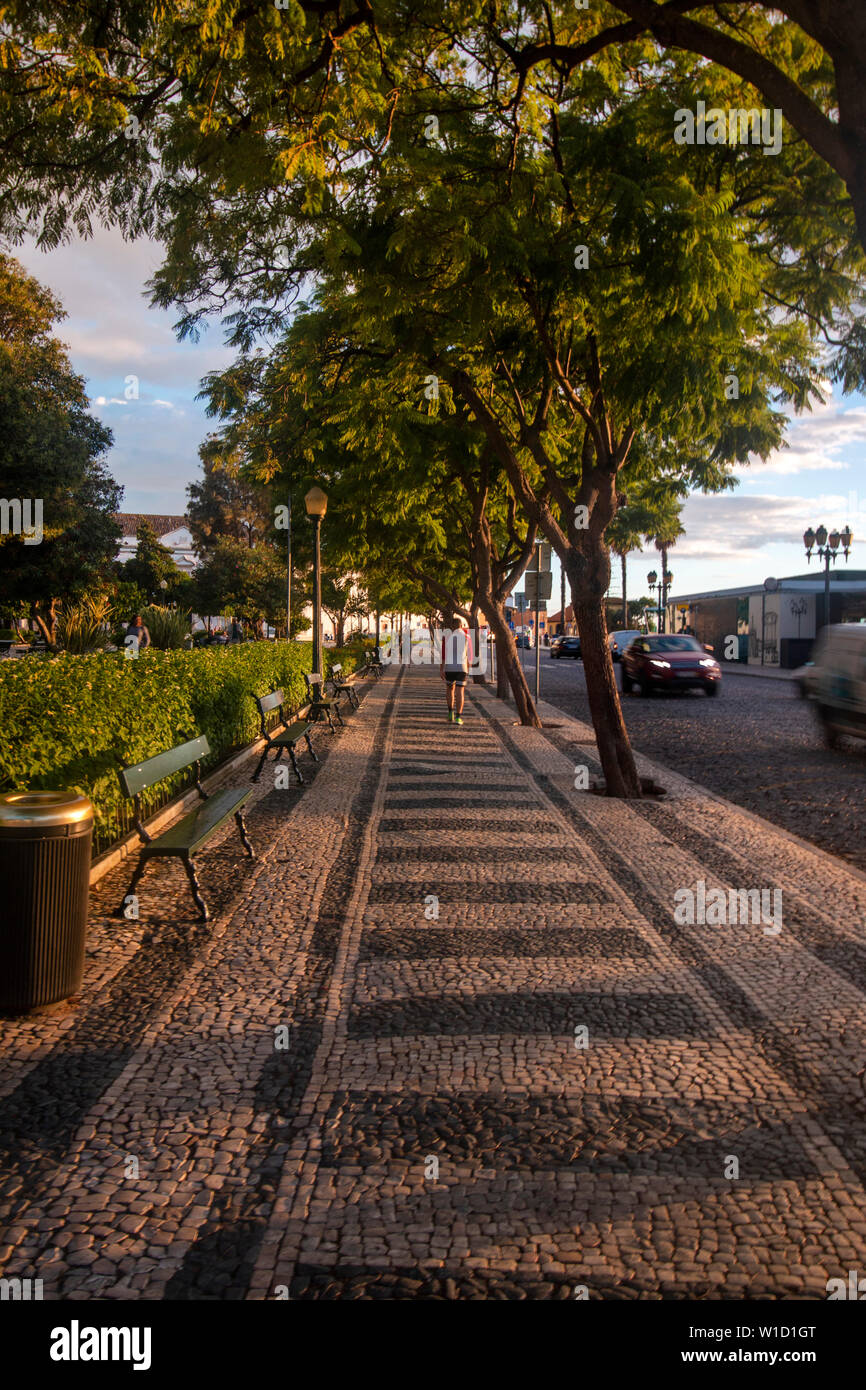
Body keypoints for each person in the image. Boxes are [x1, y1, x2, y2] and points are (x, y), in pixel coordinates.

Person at [439, 616, 472, 724]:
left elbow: (443, 655)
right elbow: (470, 656)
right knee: (460, 691)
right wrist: (468, 668)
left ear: (452, 626)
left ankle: (450, 713)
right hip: (461, 667)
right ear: (461, 626)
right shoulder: (467, 637)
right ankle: (458, 717)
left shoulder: (447, 637)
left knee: (449, 690)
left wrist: (441, 669)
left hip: (449, 667)